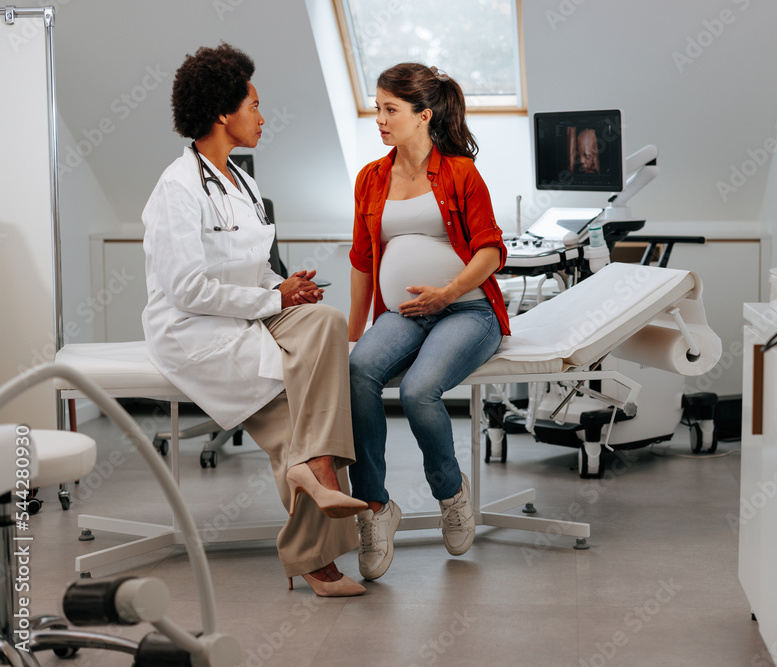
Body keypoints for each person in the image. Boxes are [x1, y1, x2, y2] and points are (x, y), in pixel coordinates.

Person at [142, 44, 367, 597]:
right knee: (293, 420)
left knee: (327, 321)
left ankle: (313, 467)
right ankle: (318, 540)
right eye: (255, 105)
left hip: (246, 313)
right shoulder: (177, 187)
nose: (263, 118)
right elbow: (187, 289)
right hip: (193, 331)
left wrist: (284, 289)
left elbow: (253, 269)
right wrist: (273, 300)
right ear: (224, 112)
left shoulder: (238, 181)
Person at [348, 63, 510, 580]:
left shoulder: (460, 172)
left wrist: (448, 292)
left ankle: (451, 493)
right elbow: (360, 261)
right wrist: (355, 334)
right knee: (359, 371)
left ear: (424, 115)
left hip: (467, 309)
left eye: (390, 109)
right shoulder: (371, 178)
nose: (380, 118)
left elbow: (490, 251)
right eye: (377, 108)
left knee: (418, 391)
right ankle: (375, 508)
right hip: (403, 314)